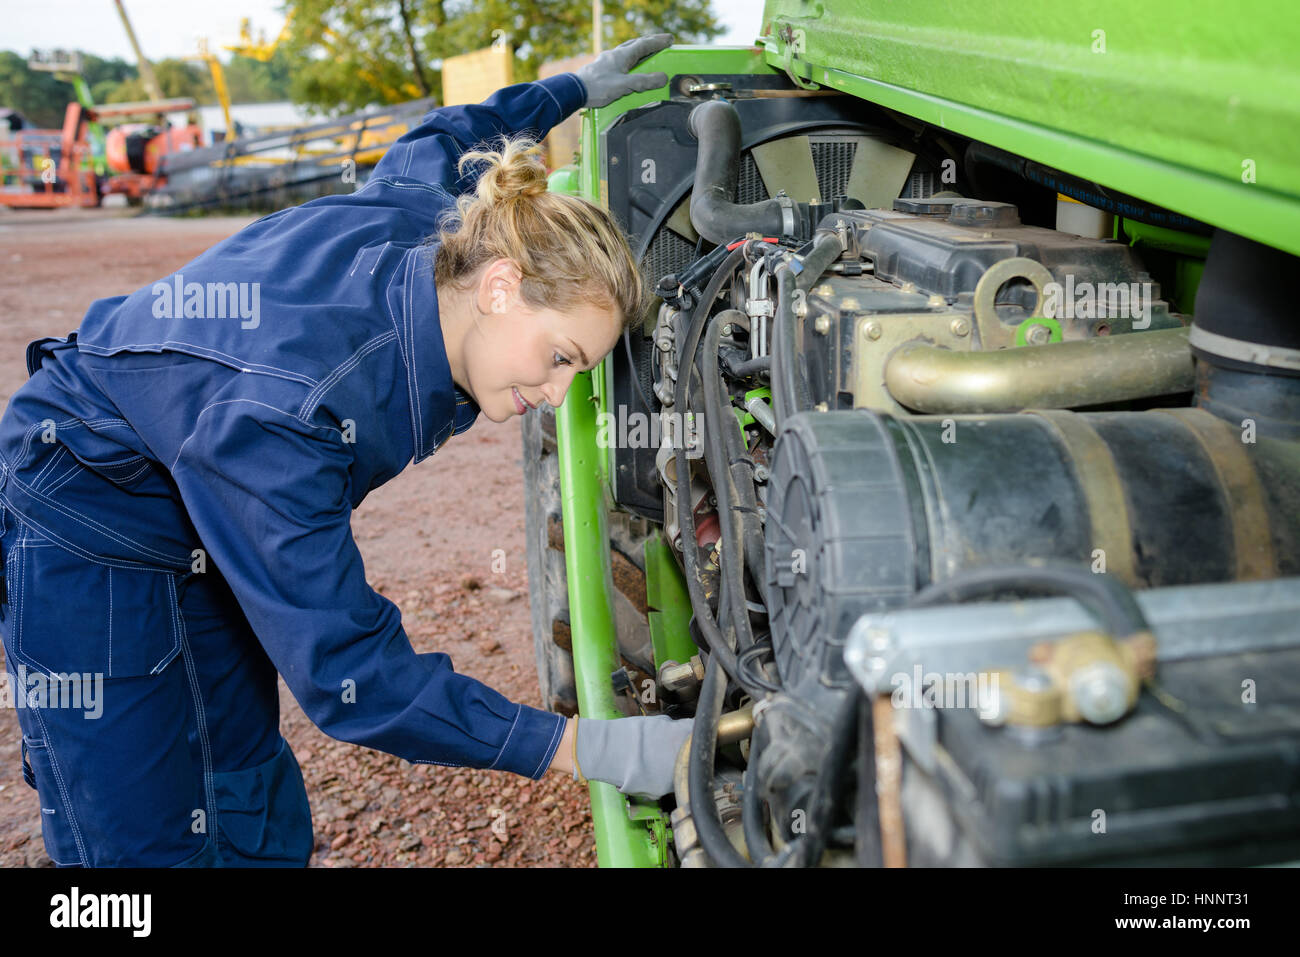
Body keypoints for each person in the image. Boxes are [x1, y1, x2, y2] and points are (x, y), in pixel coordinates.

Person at [0, 33, 691, 868]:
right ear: (503, 286)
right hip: (87, 502)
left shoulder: (426, 219)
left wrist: (574, 87)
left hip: (196, 496)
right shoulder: (293, 414)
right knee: (135, 833)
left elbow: (452, 133)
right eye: (560, 359)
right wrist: (590, 750)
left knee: (242, 786)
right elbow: (352, 675)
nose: (557, 395)